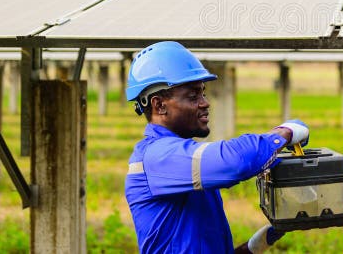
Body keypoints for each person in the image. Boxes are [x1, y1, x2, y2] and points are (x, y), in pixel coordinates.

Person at [124, 40, 308, 253]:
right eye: (193, 96)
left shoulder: (180, 160)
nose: (205, 102)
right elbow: (234, 161)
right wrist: (284, 133)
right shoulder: (157, 156)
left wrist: (255, 246)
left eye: (203, 92)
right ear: (159, 105)